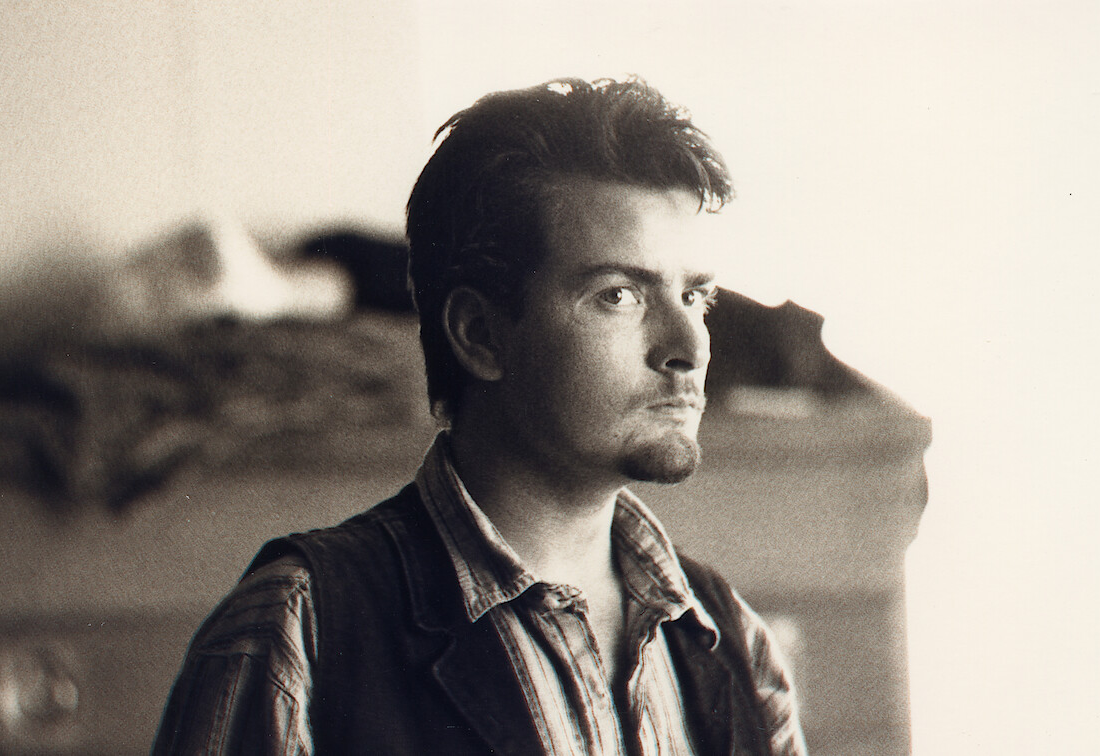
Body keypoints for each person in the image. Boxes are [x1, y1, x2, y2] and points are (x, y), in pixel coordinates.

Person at [153, 77, 807, 756]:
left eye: (696, 297)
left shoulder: (735, 641)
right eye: (619, 295)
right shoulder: (296, 636)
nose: (690, 347)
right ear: (479, 335)